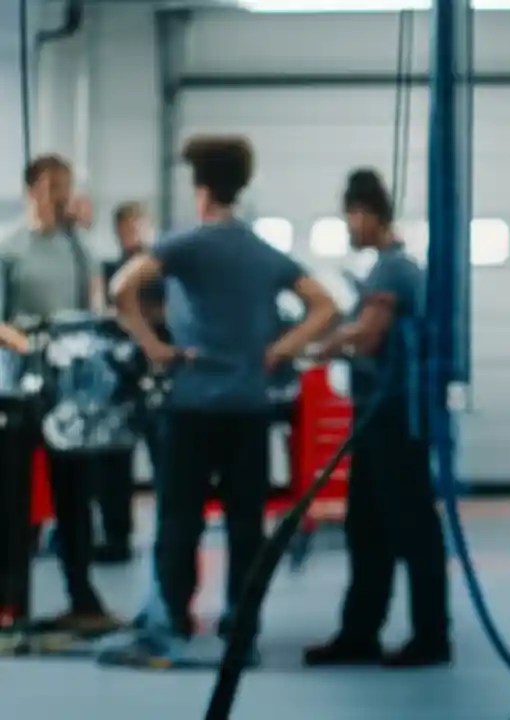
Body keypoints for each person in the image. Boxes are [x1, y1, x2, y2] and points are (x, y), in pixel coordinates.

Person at [105, 135, 338, 663]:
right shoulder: (262, 252)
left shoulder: (185, 244)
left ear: (200, 187)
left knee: (179, 521)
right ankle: (241, 625)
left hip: (190, 406)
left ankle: (174, 623)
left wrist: (155, 347)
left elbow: (123, 288)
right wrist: (279, 349)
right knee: (244, 525)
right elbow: (325, 306)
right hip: (248, 408)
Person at [303, 168, 450, 668]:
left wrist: (319, 344)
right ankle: (359, 633)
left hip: (394, 423)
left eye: (350, 215)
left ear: (366, 213)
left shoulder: (392, 270)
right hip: (378, 420)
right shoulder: (389, 269)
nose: (348, 225)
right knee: (367, 530)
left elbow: (367, 336)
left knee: (411, 529)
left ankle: (432, 638)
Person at [0, 154, 119, 636]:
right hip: (17, 387)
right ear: (34, 189)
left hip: (69, 392)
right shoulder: (10, 247)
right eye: (55, 188)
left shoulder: (78, 249)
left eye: (68, 188)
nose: (63, 198)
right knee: (10, 500)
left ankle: (82, 596)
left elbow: (93, 304)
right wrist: (27, 342)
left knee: (75, 495)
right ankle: (10, 600)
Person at [93, 202, 162, 564]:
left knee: (164, 457)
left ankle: (170, 535)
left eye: (138, 226)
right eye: (126, 227)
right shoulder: (109, 271)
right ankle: (116, 536)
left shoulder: (163, 271)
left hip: (157, 375)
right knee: (114, 463)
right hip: (118, 377)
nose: (132, 235)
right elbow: (103, 312)